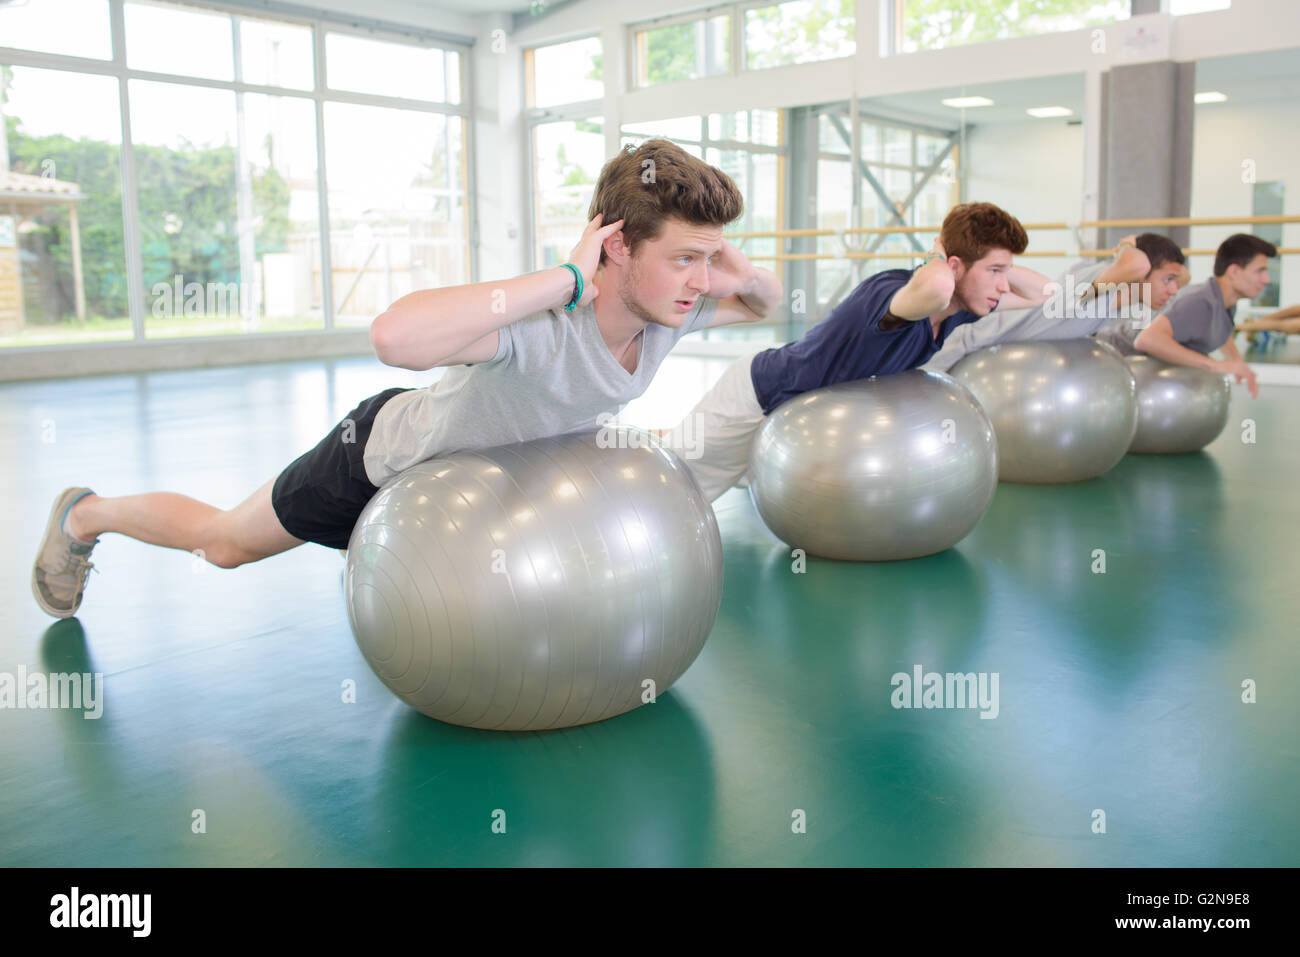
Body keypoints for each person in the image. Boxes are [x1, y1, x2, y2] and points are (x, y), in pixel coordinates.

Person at [32, 139, 783, 619]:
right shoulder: (543, 325)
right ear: (616, 247)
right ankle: (86, 515)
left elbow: (762, 306)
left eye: (707, 257)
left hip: (483, 504)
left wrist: (734, 267)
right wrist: (562, 275)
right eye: (685, 256)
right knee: (225, 542)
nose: (700, 279)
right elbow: (394, 335)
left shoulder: (671, 313)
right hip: (381, 463)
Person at [660, 201, 1044, 503]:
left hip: (802, 428)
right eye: (994, 270)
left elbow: (1043, 294)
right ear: (954, 266)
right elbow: (937, 289)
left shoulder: (958, 312)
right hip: (759, 398)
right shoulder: (894, 293)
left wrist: (993, 264)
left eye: (1005, 271)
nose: (1002, 284)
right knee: (674, 494)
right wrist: (940, 255)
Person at [922, 232, 1187, 373]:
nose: (1174, 289)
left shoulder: (1116, 299)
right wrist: (1126, 247)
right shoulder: (1097, 285)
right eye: (1168, 280)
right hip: (956, 343)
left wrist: (1163, 271)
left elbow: (1182, 276)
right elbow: (1138, 264)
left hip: (980, 353)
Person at [1098, 232, 1276, 399]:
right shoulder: (1199, 302)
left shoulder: (1224, 303)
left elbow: (1219, 329)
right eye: (1259, 271)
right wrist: (1216, 365)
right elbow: (1147, 340)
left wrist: (1236, 361)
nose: (1266, 279)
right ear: (1234, 271)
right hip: (1105, 358)